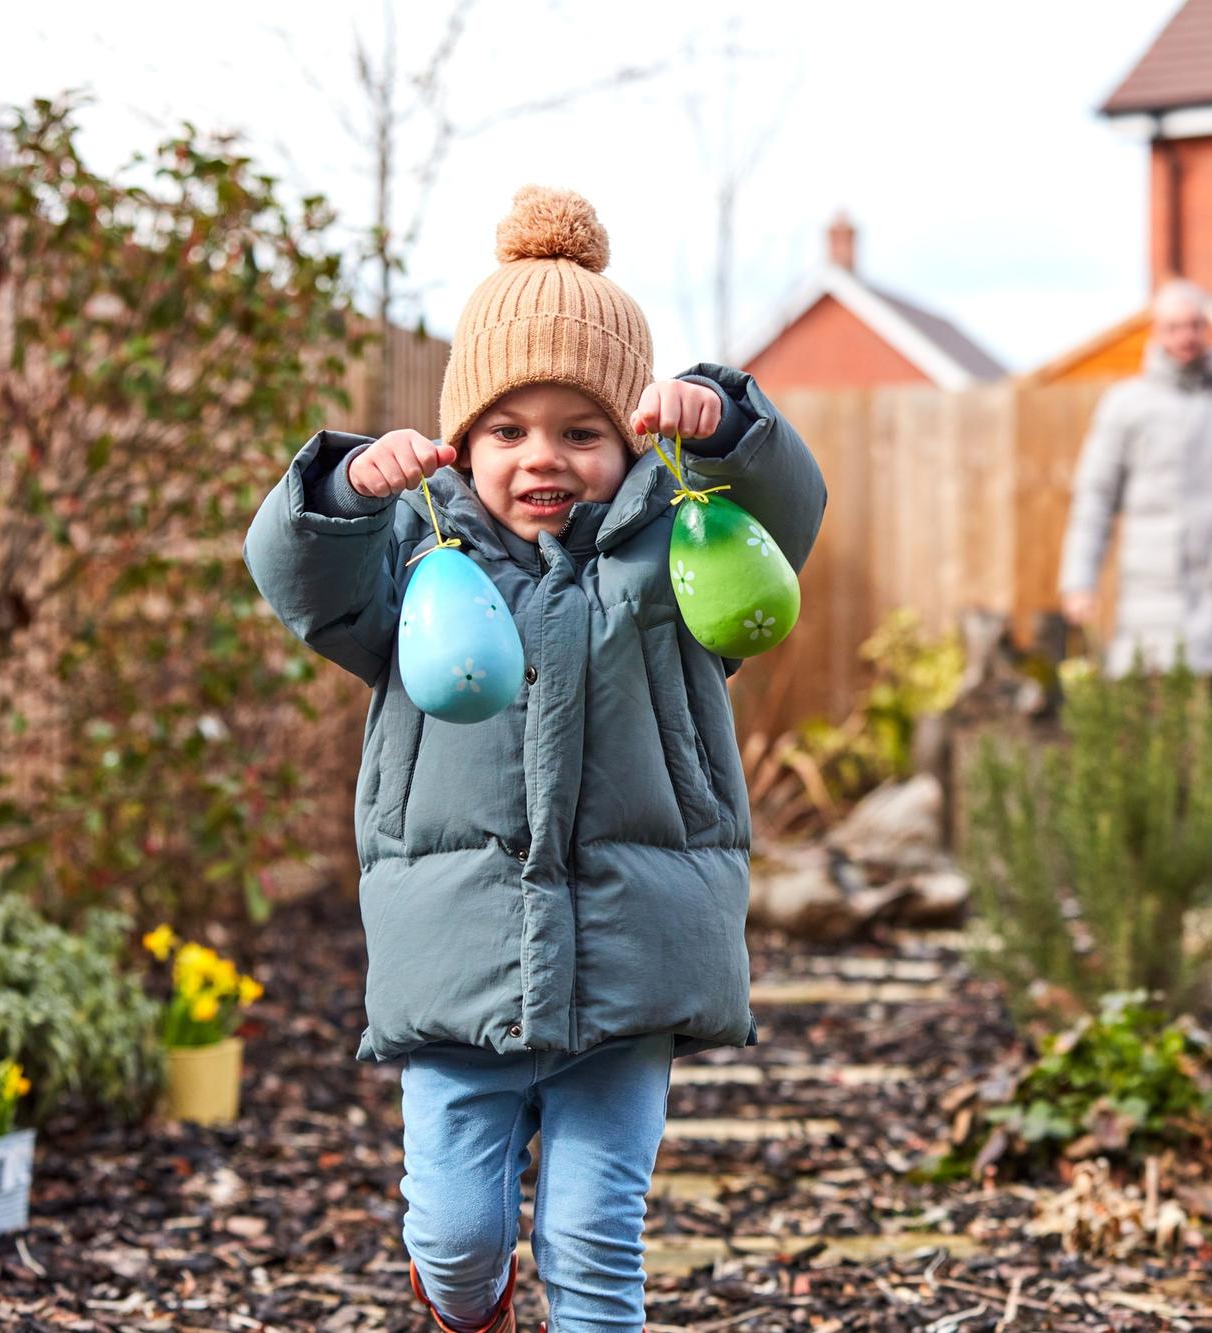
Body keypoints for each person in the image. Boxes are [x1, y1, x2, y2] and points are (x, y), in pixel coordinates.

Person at [244, 185, 827, 1333]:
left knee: (594, 1239)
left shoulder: (683, 553)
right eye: (507, 431)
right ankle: (478, 1304)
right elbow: (303, 584)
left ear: (629, 441)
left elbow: (786, 517)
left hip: (630, 966)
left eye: (580, 431)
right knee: (455, 1243)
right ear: (463, 444)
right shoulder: (416, 565)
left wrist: (726, 421)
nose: (541, 458)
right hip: (458, 971)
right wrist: (342, 492)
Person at [1056, 280, 1212, 881]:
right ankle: (1157, 874)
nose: (1185, 337)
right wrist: (1079, 580)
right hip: (1151, 604)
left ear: (1207, 330)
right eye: (1172, 327)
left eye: (1194, 325)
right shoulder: (1126, 406)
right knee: (1152, 743)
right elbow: (1094, 500)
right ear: (1156, 335)